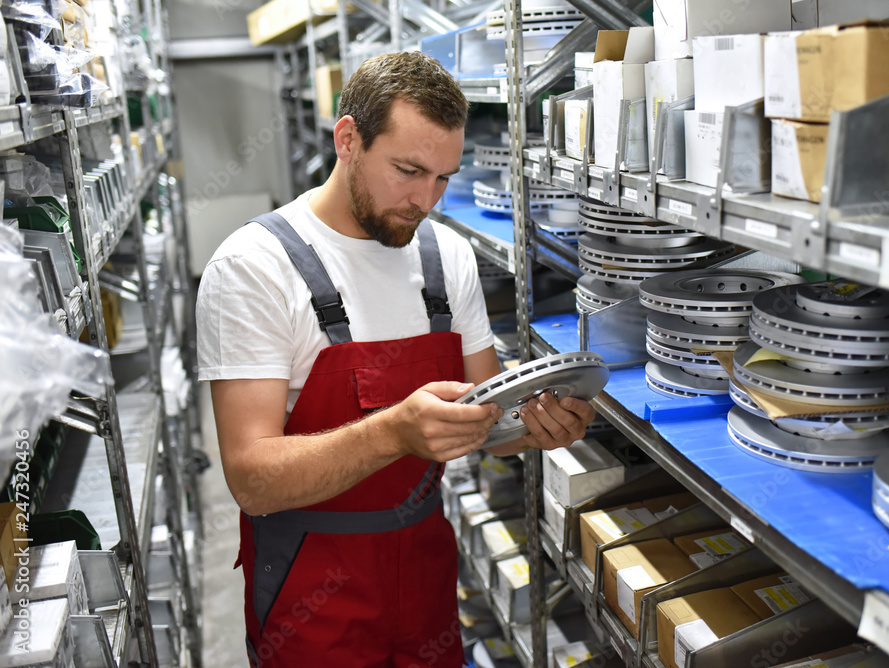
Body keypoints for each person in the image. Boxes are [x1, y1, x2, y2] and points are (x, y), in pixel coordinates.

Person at [196, 51, 595, 668]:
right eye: (408, 171)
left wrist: (538, 427)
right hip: (313, 590)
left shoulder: (446, 257)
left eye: (443, 177)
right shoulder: (254, 268)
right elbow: (252, 479)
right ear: (348, 139)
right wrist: (392, 432)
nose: (426, 200)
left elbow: (488, 420)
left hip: (428, 572)